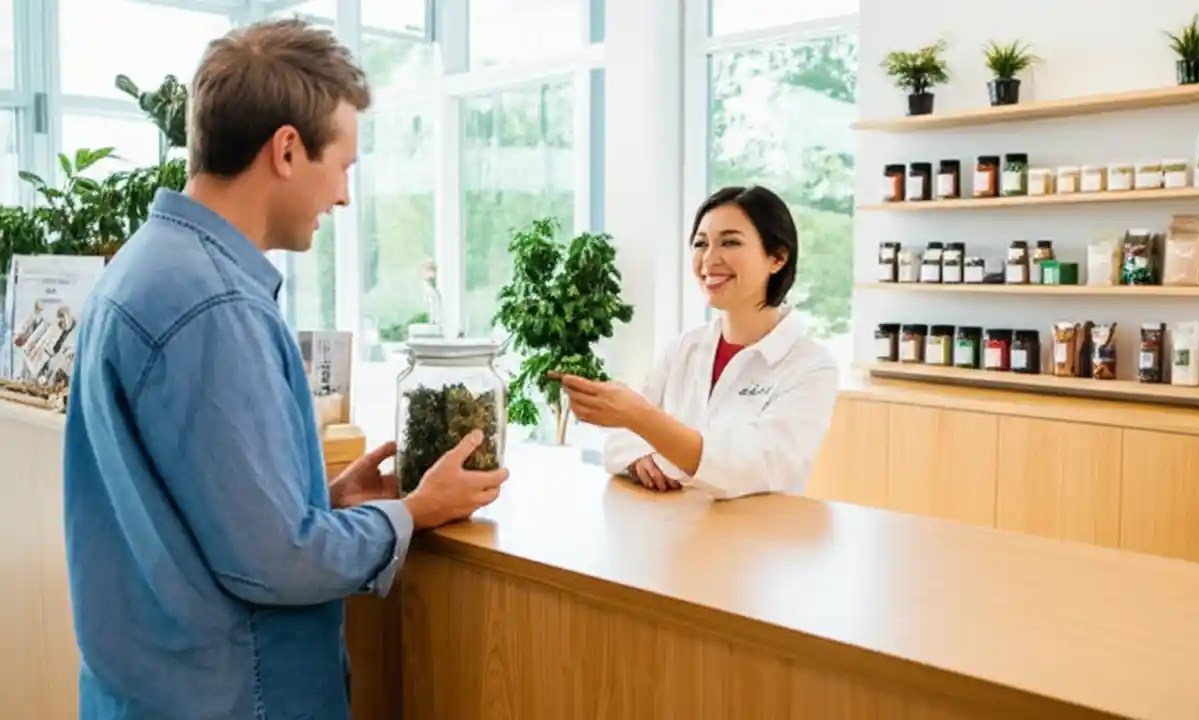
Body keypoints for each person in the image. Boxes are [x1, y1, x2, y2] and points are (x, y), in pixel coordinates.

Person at [61, 19, 508, 720]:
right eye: (344, 167)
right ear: (288, 150)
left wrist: (324, 502)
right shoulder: (211, 303)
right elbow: (275, 561)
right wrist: (413, 512)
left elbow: (196, 512)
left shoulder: (145, 270)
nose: (343, 197)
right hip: (236, 698)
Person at [559, 186, 839, 500]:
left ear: (777, 258)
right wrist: (638, 455)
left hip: (759, 538)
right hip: (675, 531)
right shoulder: (683, 349)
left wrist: (641, 418)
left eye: (730, 242)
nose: (709, 259)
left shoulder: (811, 366)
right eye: (700, 243)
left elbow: (753, 467)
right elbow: (619, 443)